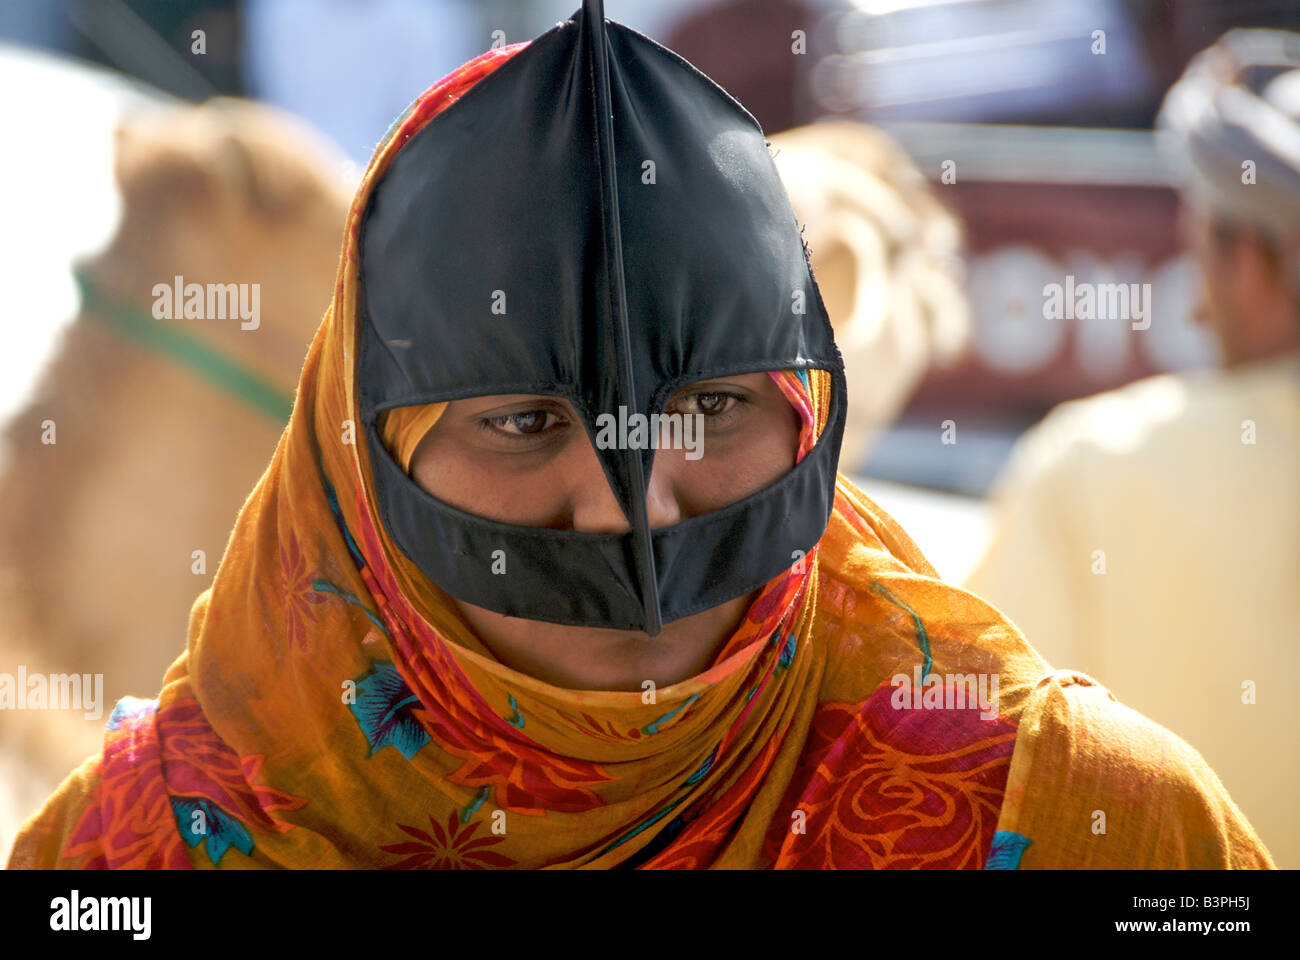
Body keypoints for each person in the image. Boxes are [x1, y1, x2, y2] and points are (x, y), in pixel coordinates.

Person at [8, 2, 1272, 870]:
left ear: (810, 413)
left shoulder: (1085, 821)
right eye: (523, 419)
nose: (629, 510)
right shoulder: (131, 859)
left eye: (708, 405)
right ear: (356, 458)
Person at [965, 29, 1300, 867]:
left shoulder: (1092, 464)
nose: (1196, 310)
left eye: (1202, 261)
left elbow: (978, 764)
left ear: (1251, 260)